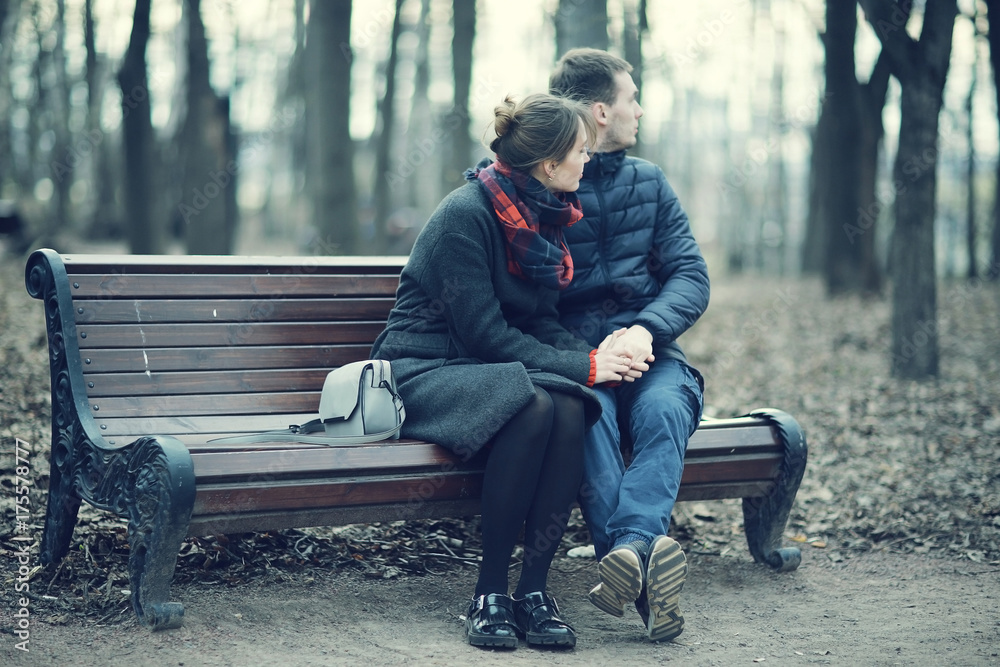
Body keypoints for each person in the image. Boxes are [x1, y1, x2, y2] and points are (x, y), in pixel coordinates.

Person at [371, 93, 636, 650]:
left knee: (570, 402)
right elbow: (486, 334)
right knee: (533, 402)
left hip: (486, 369)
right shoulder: (464, 217)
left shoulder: (541, 219)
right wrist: (584, 365)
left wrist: (601, 355)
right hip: (425, 367)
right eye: (581, 151)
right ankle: (489, 592)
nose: (587, 160)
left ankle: (534, 591)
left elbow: (538, 322)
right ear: (549, 164)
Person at [548, 48, 711, 642]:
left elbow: (690, 274)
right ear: (601, 111)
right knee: (588, 420)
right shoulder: (544, 182)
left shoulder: (649, 180)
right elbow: (522, 297)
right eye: (631, 98)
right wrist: (587, 356)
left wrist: (646, 329)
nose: (638, 110)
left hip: (649, 351)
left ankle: (630, 551)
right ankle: (646, 582)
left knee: (667, 408)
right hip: (576, 359)